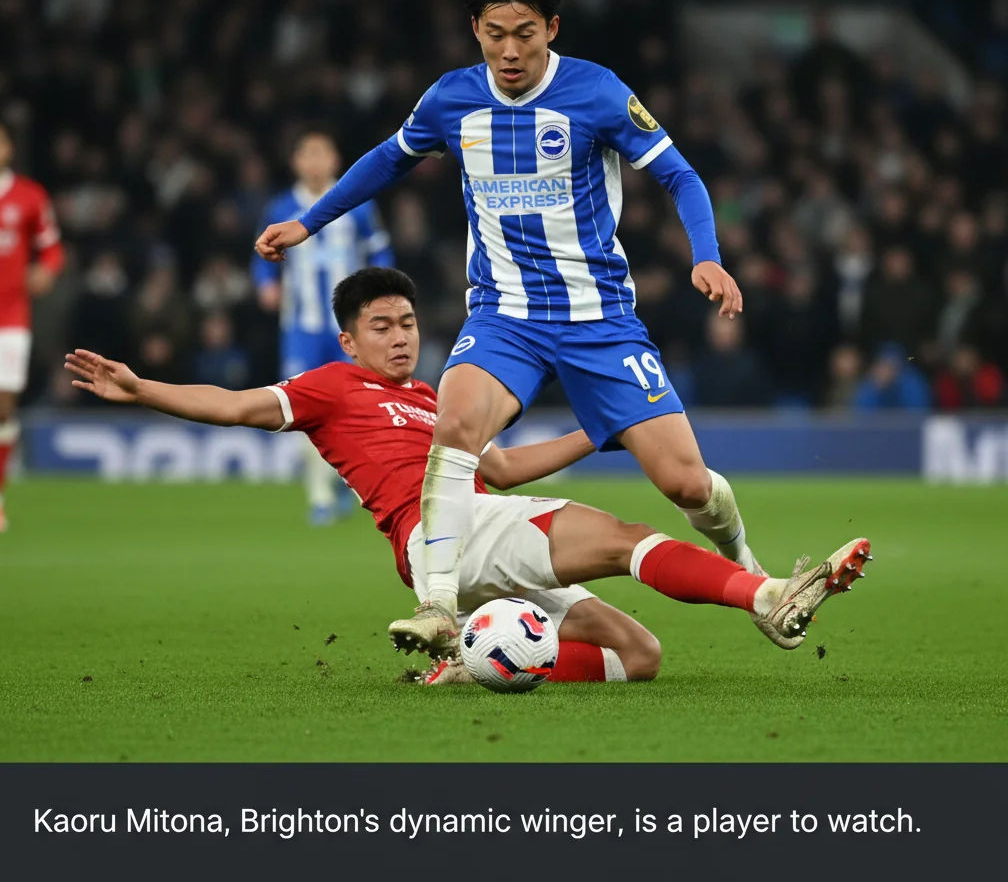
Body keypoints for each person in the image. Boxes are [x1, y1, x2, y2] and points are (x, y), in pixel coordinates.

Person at [254, 0, 765, 657]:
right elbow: (387, 158)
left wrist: (705, 254)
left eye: (525, 32)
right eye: (495, 33)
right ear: (476, 30)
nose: (510, 50)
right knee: (457, 423)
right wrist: (310, 223)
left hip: (598, 318)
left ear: (552, 27)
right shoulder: (451, 100)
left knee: (686, 484)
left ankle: (750, 568)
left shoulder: (598, 94)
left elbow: (680, 176)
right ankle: (435, 603)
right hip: (506, 316)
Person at [65, 267, 870, 684]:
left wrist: (598, 432)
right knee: (623, 538)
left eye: (407, 323)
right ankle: (765, 594)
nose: (398, 338)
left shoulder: (432, 399)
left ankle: (473, 665)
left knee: (638, 654)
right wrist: (142, 388)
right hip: (436, 542)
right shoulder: (330, 388)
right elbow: (235, 407)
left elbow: (506, 466)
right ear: (349, 340)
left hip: (481, 531)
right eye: (379, 327)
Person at [252, 125, 393, 525]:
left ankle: (346, 482)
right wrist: (266, 284)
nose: (315, 161)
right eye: (307, 154)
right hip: (302, 324)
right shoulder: (281, 207)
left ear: (334, 160)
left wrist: (384, 292)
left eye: (322, 153)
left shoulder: (356, 203)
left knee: (355, 404)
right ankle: (319, 497)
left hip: (349, 327)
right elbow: (259, 253)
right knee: (301, 405)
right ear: (296, 161)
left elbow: (380, 248)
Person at [0, 116, 65, 532]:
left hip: (7, 319)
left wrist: (46, 271)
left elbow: (51, 249)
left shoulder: (29, 197)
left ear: (8, 150)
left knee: (0, 405)